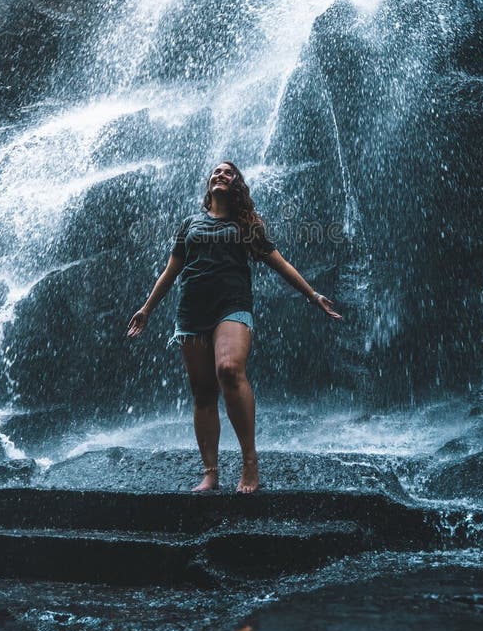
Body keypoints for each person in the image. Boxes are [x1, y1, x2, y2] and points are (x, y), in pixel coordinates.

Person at [126, 161, 342, 493]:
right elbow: (171, 271)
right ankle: (211, 473)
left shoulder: (245, 225)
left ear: (237, 185)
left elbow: (279, 262)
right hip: (192, 312)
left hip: (232, 306)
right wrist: (146, 309)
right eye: (216, 172)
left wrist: (312, 295)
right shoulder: (190, 224)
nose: (221, 175)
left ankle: (249, 463)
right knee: (202, 393)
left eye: (229, 173)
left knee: (228, 369)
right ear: (209, 183)